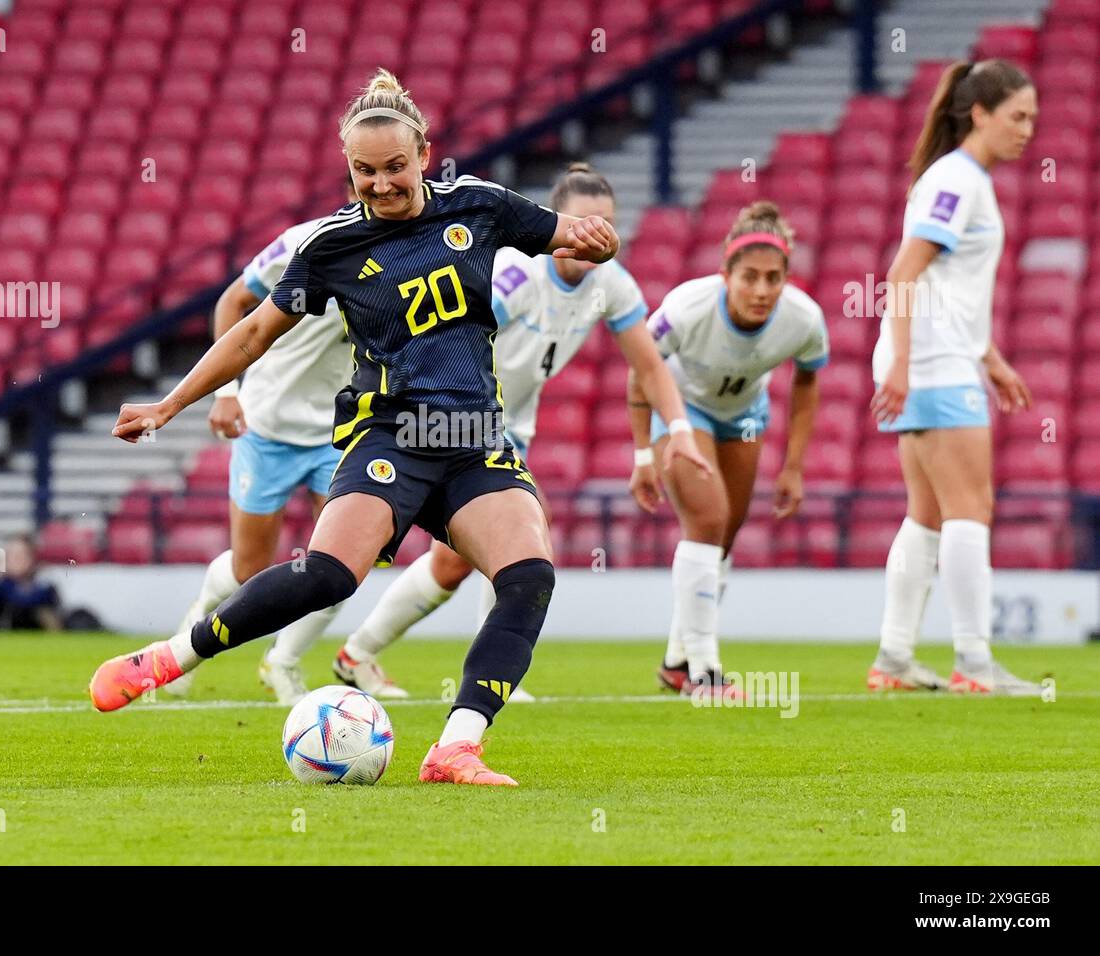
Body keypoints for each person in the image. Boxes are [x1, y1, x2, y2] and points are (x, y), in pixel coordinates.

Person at [89, 68, 706, 786]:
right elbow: (254, 332)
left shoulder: (479, 205)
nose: (380, 185)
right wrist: (170, 404)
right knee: (327, 576)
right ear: (347, 168)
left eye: (394, 168)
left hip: (476, 440)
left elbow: (571, 236)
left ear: (423, 154)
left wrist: (598, 241)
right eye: (363, 172)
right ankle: (169, 658)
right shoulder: (330, 247)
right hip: (391, 436)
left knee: (529, 575)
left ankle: (456, 747)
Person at [332, 162, 703, 697]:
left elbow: (648, 366)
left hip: (506, 421)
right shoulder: (513, 274)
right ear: (555, 222)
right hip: (454, 415)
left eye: (606, 224)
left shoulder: (613, 284)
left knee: (461, 559)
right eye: (582, 222)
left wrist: (678, 431)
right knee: (512, 536)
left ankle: (359, 653)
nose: (593, 234)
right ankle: (474, 673)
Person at [868, 59, 1038, 695]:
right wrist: (909, 367)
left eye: (1034, 120)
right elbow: (904, 274)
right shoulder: (960, 180)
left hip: (937, 359)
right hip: (933, 364)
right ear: (981, 114)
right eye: (1017, 116)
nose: (1027, 130)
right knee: (974, 507)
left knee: (930, 514)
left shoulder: (958, 179)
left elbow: (949, 289)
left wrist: (990, 361)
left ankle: (894, 657)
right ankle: (974, 660)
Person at [629, 201, 830, 697]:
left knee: (723, 537)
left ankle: (677, 661)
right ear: (726, 274)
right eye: (750, 277)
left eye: (773, 278)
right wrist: (643, 453)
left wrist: (795, 467)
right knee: (708, 518)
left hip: (743, 417)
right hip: (683, 411)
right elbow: (642, 372)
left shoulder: (804, 320)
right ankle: (705, 670)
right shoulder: (686, 308)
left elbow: (807, 383)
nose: (762, 291)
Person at [167, 187, 358, 705]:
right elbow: (234, 300)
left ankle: (283, 660)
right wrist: (228, 392)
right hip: (269, 426)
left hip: (341, 431)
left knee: (348, 559)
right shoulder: (302, 242)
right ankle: (185, 642)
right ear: (351, 190)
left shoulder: (408, 254)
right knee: (250, 566)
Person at [0, 534, 104, 631]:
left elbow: (41, 601)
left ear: (32, 558)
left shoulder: (43, 580)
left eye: (21, 555)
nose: (16, 560)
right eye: (12, 555)